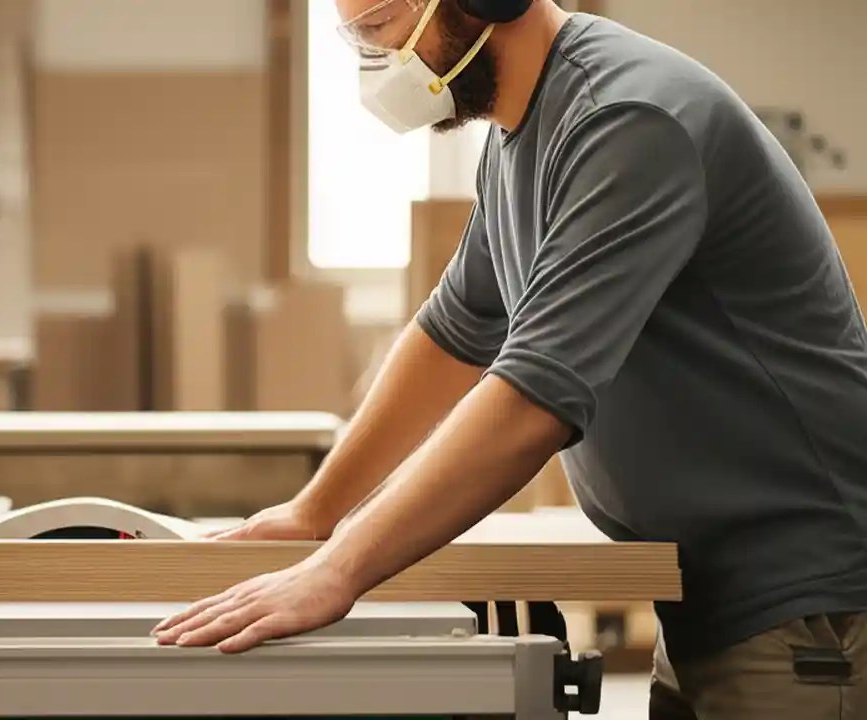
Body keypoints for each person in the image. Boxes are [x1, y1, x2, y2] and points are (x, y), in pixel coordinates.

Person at [151, 0, 867, 717]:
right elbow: (455, 331)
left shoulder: (628, 120)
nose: (378, 65)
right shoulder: (525, 131)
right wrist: (318, 511)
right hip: (717, 598)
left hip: (808, 602)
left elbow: (532, 402)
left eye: (382, 30)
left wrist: (339, 571)